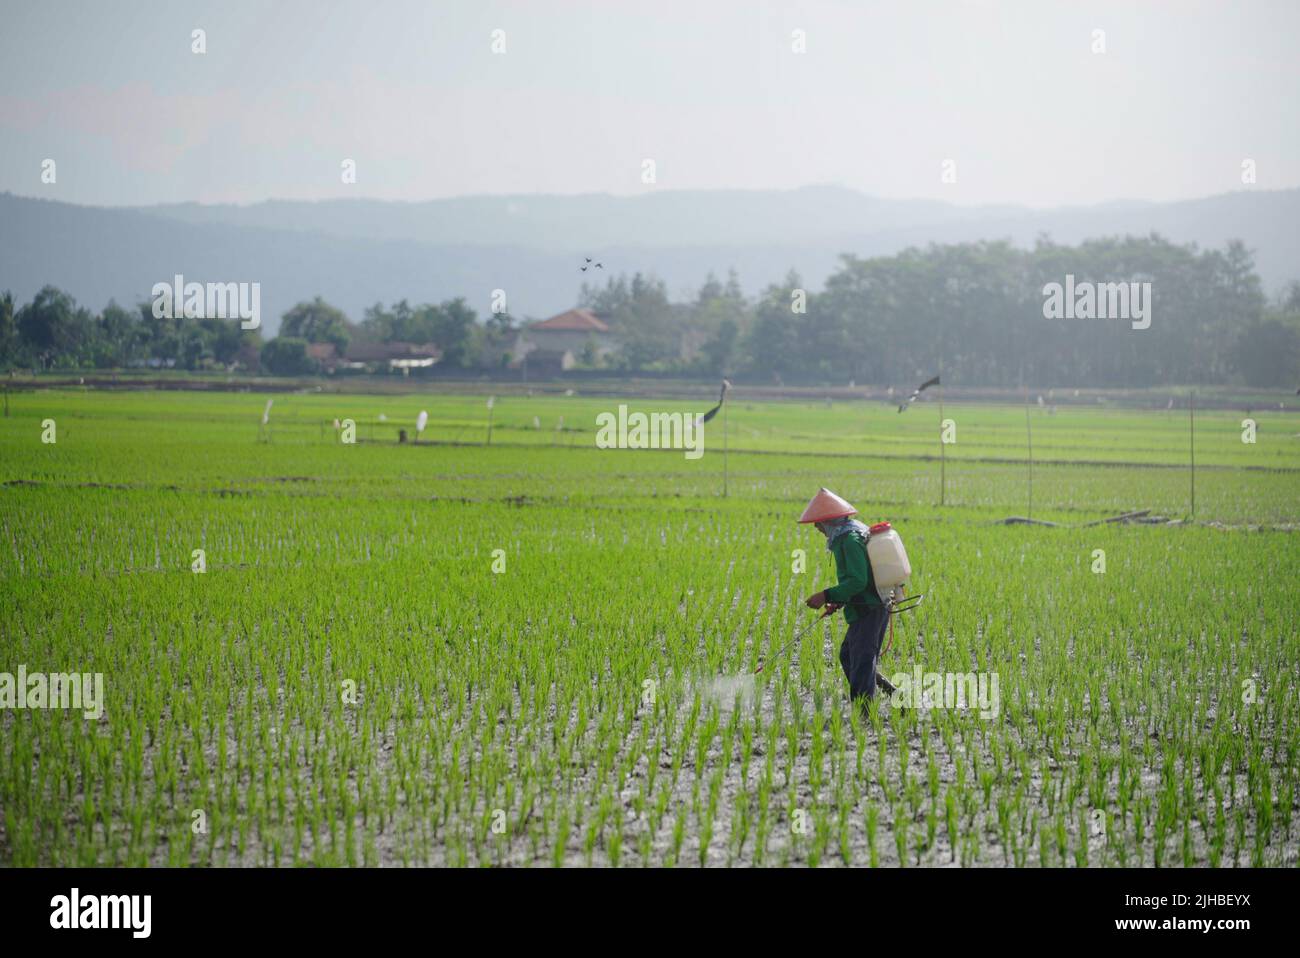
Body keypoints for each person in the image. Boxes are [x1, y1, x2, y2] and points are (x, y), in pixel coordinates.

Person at [798, 487, 895, 709]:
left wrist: (826, 595)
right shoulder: (850, 533)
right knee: (850, 657)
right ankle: (891, 693)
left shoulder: (849, 541)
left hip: (870, 609)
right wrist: (840, 600)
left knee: (860, 661)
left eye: (819, 522)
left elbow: (858, 581)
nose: (816, 527)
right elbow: (860, 579)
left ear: (830, 521)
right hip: (866, 606)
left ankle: (864, 713)